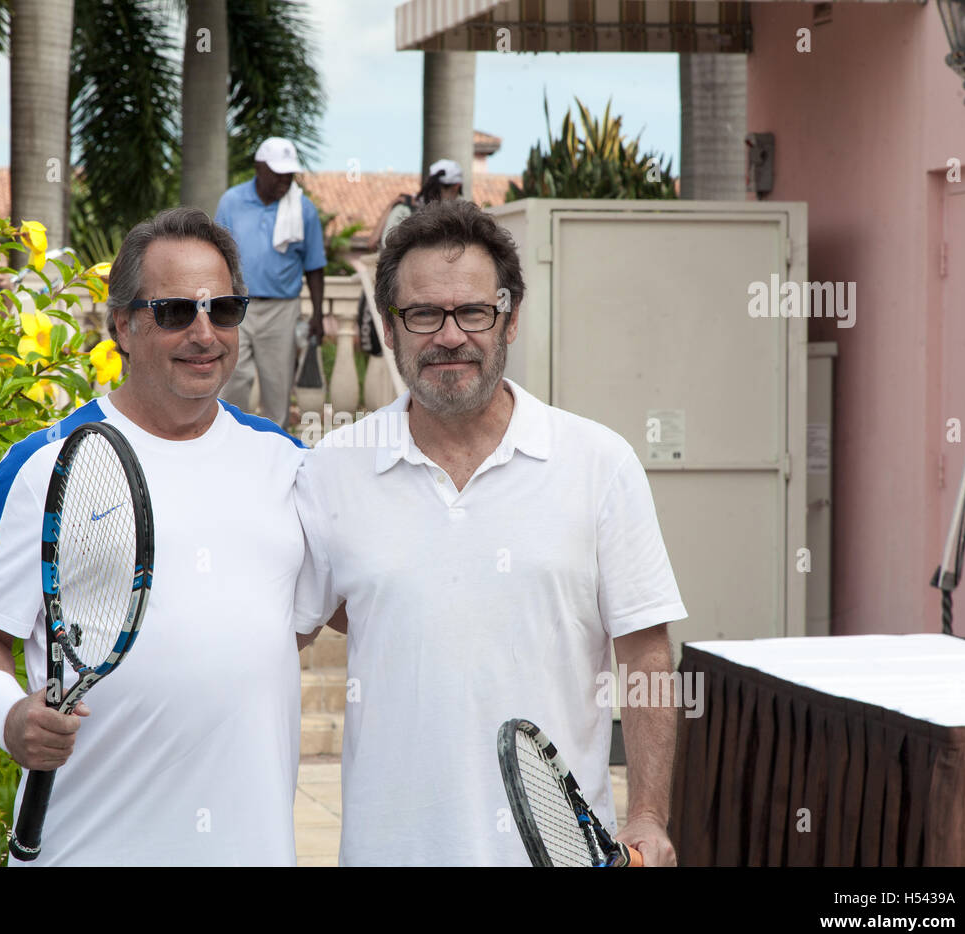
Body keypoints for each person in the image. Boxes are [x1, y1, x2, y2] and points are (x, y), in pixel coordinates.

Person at [292, 201, 688, 866]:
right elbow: (299, 620)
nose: (450, 336)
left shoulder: (598, 463)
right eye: (423, 314)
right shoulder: (333, 469)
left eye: (473, 312)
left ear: (508, 318)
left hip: (556, 855)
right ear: (390, 329)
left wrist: (647, 814)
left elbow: (646, 653)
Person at [0, 207, 308, 866]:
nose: (203, 333)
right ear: (123, 326)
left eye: (222, 309)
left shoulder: (287, 463)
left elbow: (306, 618)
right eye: (174, 312)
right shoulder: (41, 463)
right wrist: (10, 717)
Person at [214, 136, 326, 427]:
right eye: (278, 173)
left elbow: (314, 267)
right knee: (233, 378)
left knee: (278, 386)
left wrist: (317, 315)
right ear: (259, 167)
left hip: (281, 310)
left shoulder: (303, 209)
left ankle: (277, 450)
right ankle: (229, 437)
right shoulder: (232, 202)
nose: (284, 180)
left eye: (289, 174)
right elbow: (218, 256)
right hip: (237, 307)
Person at [360, 158, 466, 359]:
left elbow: (374, 242)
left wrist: (391, 204)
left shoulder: (405, 207)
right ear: (457, 186)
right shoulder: (455, 217)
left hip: (394, 292)